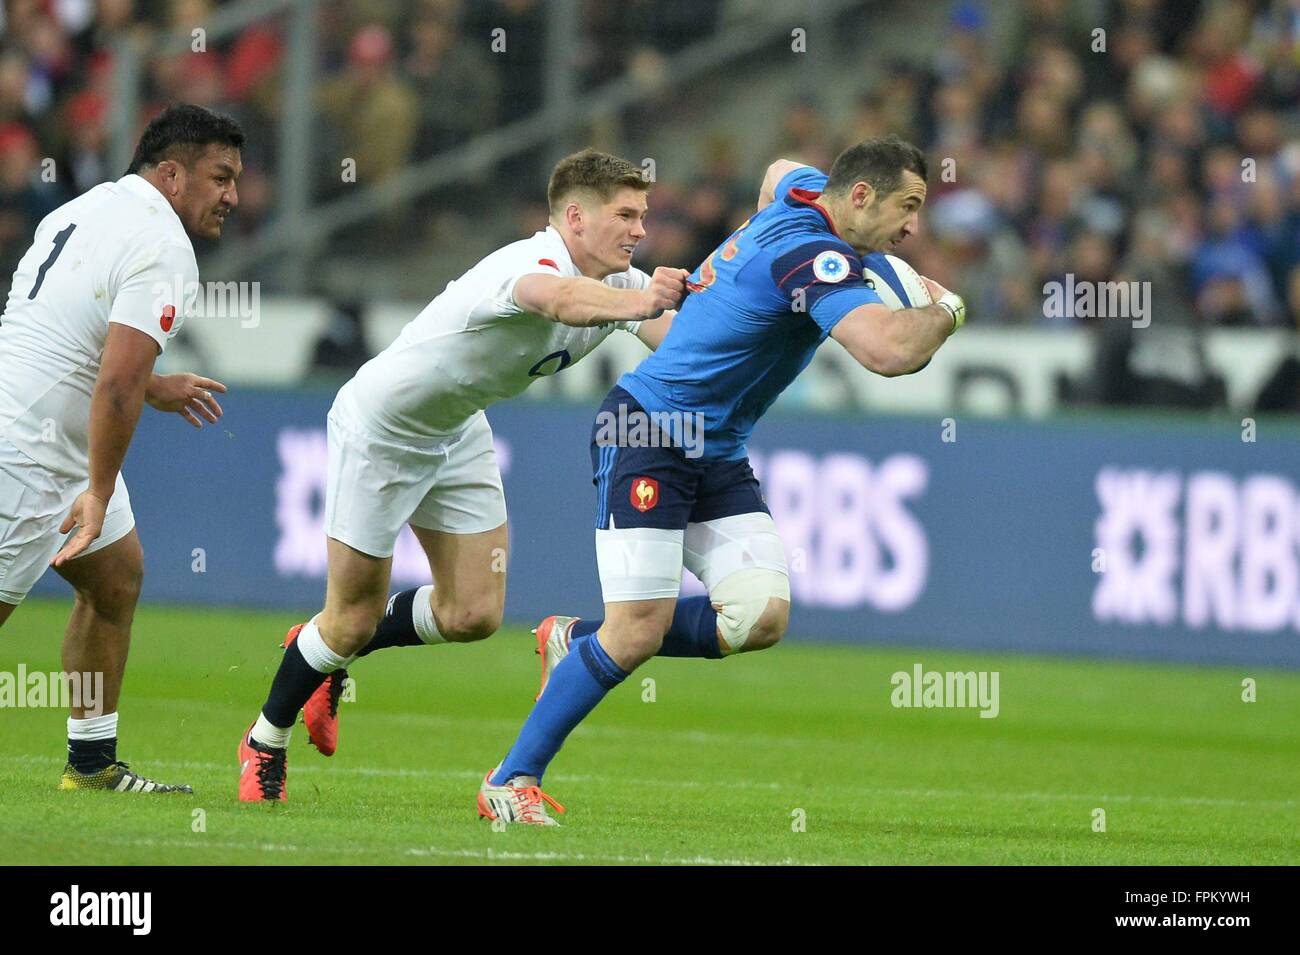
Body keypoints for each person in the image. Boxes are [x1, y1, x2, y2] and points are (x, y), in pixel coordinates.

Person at [476, 136, 967, 825]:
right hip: (646, 432)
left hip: (716, 448)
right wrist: (946, 310)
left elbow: (775, 172)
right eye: (908, 206)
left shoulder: (804, 191)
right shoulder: (812, 258)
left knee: (759, 614)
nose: (915, 227)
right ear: (859, 197)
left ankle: (575, 638)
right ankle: (510, 779)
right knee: (639, 629)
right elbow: (888, 351)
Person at [237, 148, 688, 802]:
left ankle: (326, 651)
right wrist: (644, 298)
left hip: (457, 426)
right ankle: (265, 738)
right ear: (574, 217)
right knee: (351, 618)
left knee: (473, 612)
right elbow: (558, 299)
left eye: (643, 214)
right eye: (625, 214)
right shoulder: (531, 265)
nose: (640, 229)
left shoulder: (619, 287)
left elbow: (683, 347)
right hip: (383, 429)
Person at [0, 103, 239, 793]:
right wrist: (99, 491)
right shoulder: (165, 246)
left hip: (37, 423)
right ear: (170, 174)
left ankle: (92, 764)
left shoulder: (85, 208)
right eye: (219, 177)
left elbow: (74, 336)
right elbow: (114, 385)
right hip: (28, 452)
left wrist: (153, 387)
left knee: (115, 579)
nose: (233, 195)